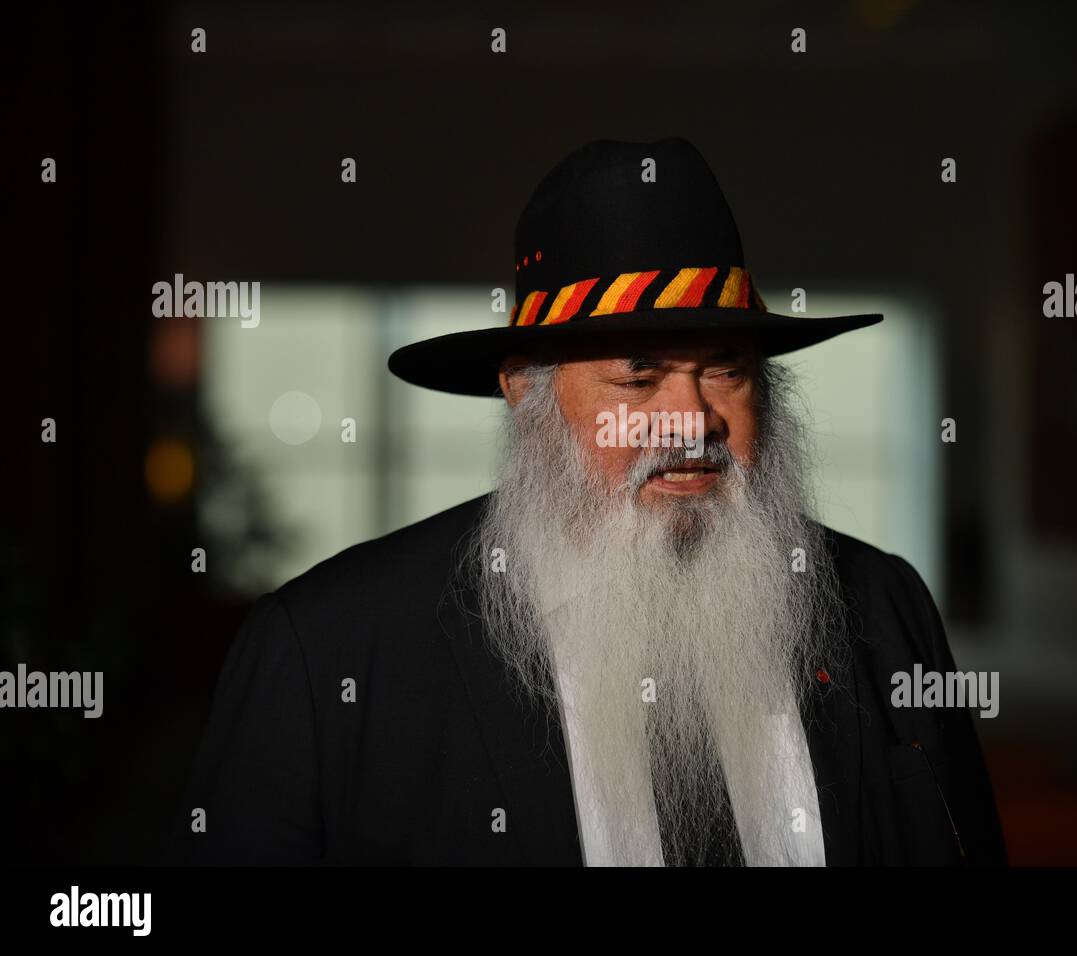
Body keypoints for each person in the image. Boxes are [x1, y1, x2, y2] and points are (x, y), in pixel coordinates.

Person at [171, 137, 1006, 866]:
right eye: (637, 376)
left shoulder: (883, 605)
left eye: (726, 370)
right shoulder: (330, 651)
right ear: (527, 395)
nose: (693, 422)